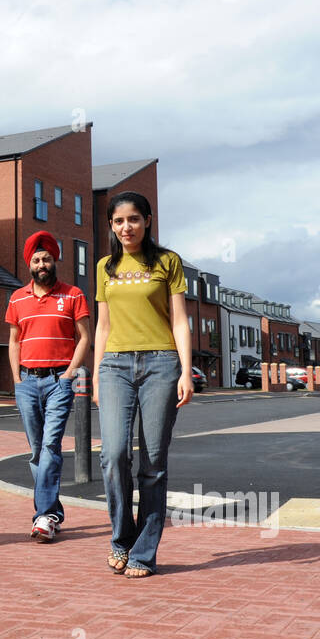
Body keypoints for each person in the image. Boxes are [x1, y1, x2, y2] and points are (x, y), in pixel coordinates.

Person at [92, 192, 192, 578]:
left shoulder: (167, 262)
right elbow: (103, 325)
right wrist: (98, 372)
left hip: (161, 364)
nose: (125, 228)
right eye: (118, 222)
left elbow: (180, 320)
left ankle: (143, 552)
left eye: (133, 219)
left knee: (152, 464)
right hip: (115, 365)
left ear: (148, 221)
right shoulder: (105, 266)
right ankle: (121, 538)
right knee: (114, 454)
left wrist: (185, 370)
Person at [7, 231, 90, 542]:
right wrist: (16, 379)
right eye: (36, 260)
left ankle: (43, 516)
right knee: (35, 452)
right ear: (30, 264)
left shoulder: (73, 295)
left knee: (50, 447)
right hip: (27, 382)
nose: (42, 264)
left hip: (58, 381)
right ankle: (52, 513)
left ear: (55, 262)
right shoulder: (17, 298)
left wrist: (69, 373)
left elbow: (85, 338)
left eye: (47, 259)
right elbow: (14, 341)